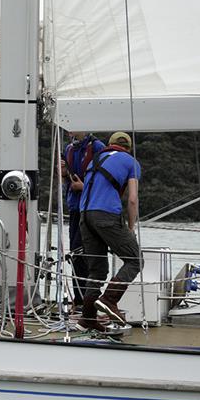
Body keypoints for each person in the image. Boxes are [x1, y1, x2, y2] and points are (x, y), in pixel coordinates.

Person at [77, 131, 142, 332]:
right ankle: (109, 299)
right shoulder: (131, 162)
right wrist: (130, 229)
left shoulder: (94, 160)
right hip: (106, 216)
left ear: (110, 145)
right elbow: (132, 199)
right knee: (135, 260)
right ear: (128, 148)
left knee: (97, 270)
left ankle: (87, 318)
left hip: (84, 217)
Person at [61, 132, 105, 311]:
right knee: (76, 253)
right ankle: (79, 300)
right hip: (74, 207)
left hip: (90, 208)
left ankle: (90, 300)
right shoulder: (69, 148)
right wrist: (64, 174)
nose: (70, 131)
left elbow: (101, 180)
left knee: (89, 253)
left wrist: (83, 186)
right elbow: (68, 182)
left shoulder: (97, 148)